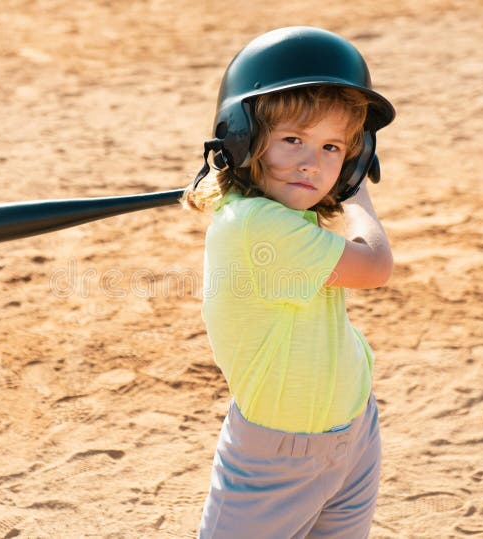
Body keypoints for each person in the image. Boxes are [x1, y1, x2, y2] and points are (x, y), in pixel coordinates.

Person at [181, 27, 395, 538]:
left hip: (356, 432)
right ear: (243, 136)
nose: (311, 163)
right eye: (292, 139)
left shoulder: (279, 213)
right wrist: (356, 199)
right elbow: (375, 265)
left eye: (332, 148)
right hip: (277, 460)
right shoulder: (256, 224)